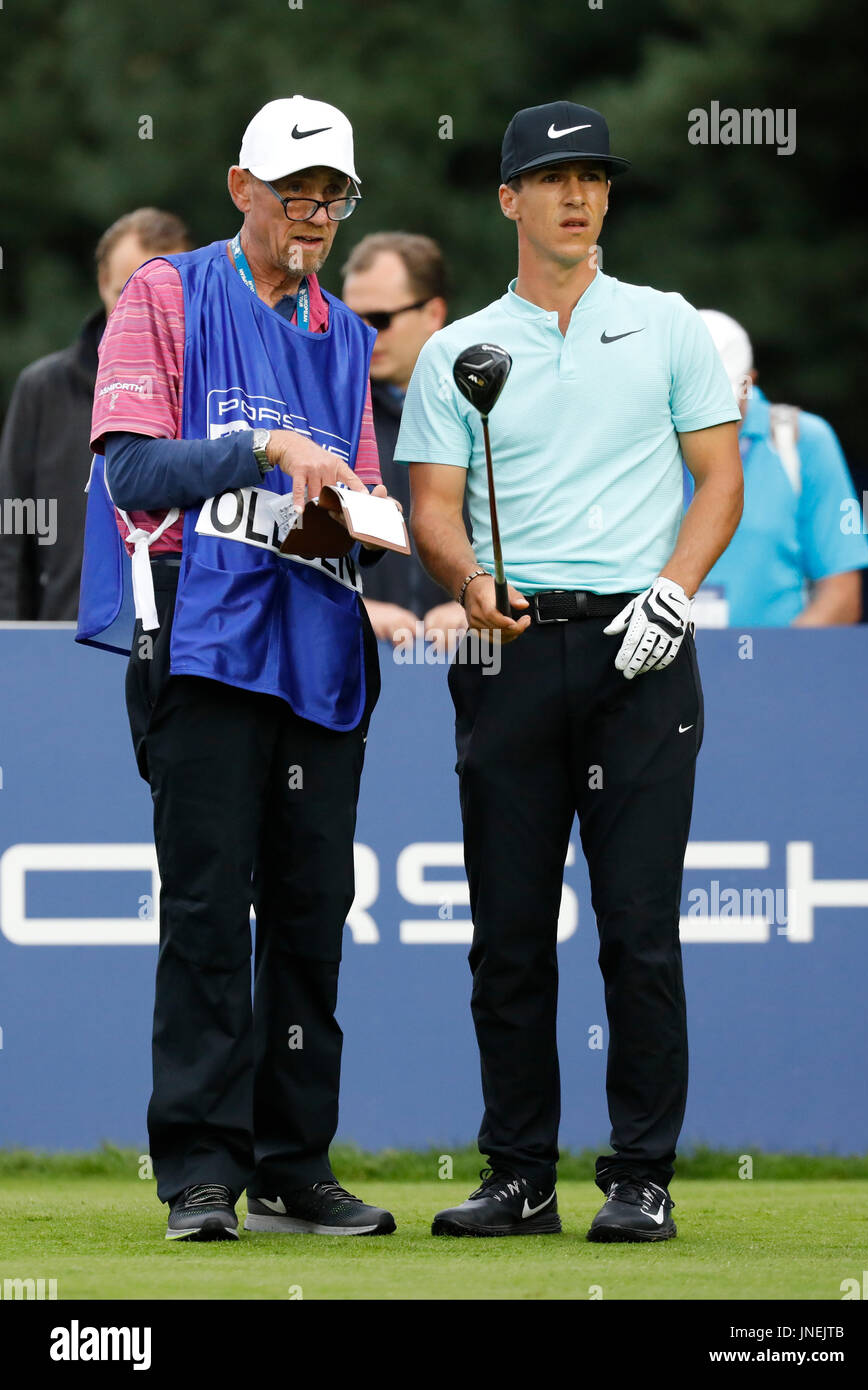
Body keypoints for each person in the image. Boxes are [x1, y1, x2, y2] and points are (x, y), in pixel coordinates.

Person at [396, 101, 743, 1242]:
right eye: (553, 179)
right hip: (508, 645)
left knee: (637, 925)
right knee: (506, 928)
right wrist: (467, 580)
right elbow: (435, 510)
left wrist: (675, 591)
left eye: (593, 177)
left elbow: (719, 480)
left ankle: (640, 1175)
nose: (578, 196)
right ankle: (519, 1175)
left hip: (642, 646)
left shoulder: (669, 325)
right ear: (510, 200)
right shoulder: (456, 350)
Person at [76, 95, 397, 1241]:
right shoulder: (165, 293)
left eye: (333, 195)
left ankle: (293, 1164)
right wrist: (263, 447)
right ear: (240, 187)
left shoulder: (350, 338)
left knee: (313, 918)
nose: (314, 212)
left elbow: (347, 510)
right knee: (209, 915)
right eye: (294, 190)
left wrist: (368, 527)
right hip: (200, 646)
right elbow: (131, 473)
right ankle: (201, 1171)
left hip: (316, 653)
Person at [0, 209, 190, 619]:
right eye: (129, 292)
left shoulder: (214, 392)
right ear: (103, 283)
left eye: (164, 297)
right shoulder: (43, 388)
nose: (144, 310)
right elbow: (12, 527)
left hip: (183, 641)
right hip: (60, 638)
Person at [696, 310, 868, 626]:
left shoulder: (803, 441)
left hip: (775, 671)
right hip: (660, 669)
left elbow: (841, 595)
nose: (705, 411)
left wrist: (775, 665)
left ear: (748, 382)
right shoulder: (641, 445)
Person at [341, 232, 466, 645]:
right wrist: (353, 607)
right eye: (349, 319)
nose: (363, 335)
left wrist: (479, 596)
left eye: (379, 319)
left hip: (481, 663)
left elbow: (537, 538)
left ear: (433, 313)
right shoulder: (322, 417)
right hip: (359, 667)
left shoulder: (491, 415)